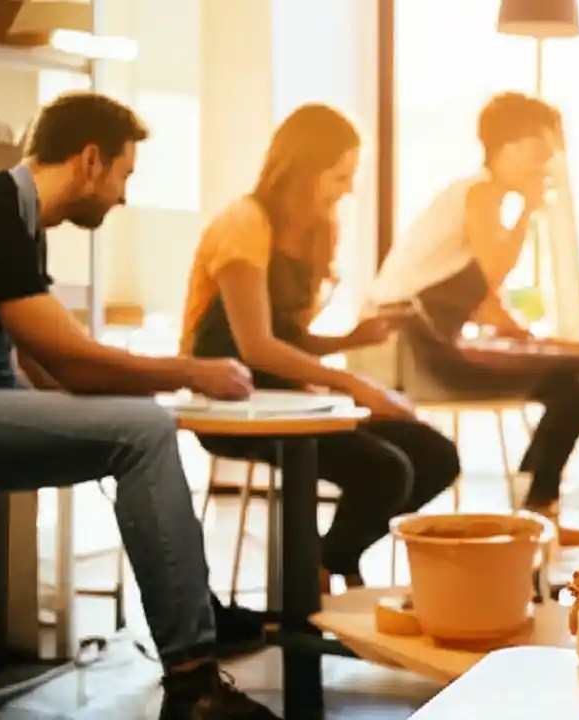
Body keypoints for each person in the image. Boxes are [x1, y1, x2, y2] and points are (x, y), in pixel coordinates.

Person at [0, 92, 280, 719]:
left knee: (140, 433)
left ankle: (197, 643)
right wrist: (188, 372)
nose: (124, 196)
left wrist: (110, 419)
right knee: (144, 432)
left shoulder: (19, 223)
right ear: (91, 161)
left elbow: (42, 371)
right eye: (124, 175)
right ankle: (195, 690)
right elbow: (70, 362)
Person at [182, 104, 459, 592]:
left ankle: (327, 558)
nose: (348, 189)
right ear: (302, 170)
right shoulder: (244, 223)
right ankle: (320, 574)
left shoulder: (319, 231)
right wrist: (354, 383)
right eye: (339, 176)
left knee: (436, 455)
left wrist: (354, 339)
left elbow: (290, 341)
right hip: (231, 403)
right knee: (386, 469)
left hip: (294, 400)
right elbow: (256, 346)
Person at [360, 91, 579, 544]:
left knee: (572, 378)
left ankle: (536, 504)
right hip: (419, 352)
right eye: (539, 151)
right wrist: (529, 209)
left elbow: (470, 290)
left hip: (415, 345)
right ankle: (537, 505)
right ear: (508, 148)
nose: (545, 164)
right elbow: (491, 269)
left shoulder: (469, 193)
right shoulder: (481, 193)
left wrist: (515, 329)